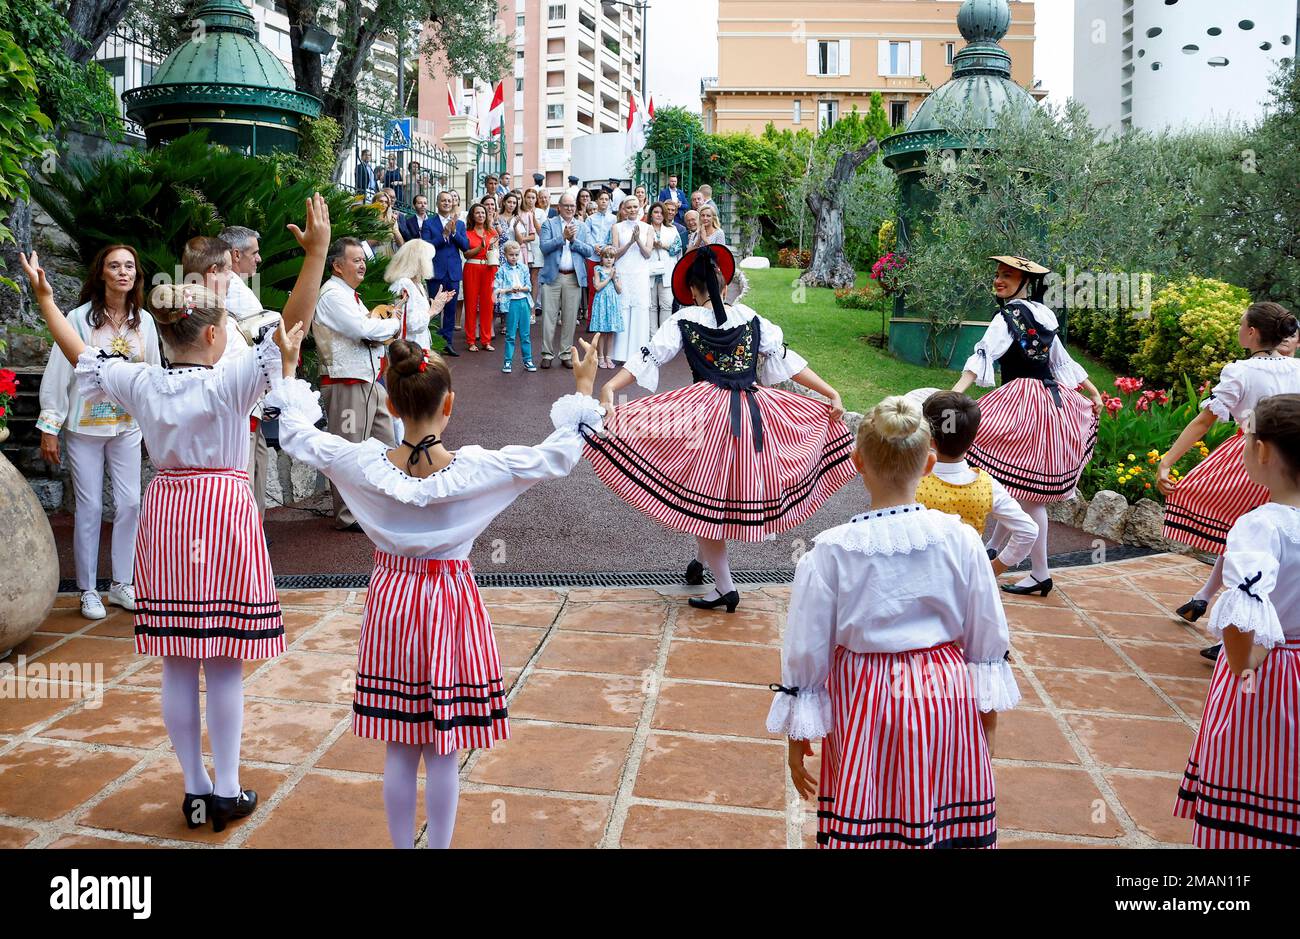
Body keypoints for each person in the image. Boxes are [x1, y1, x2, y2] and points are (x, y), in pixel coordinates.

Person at [19, 193, 331, 834]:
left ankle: (194, 789)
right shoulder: (230, 379)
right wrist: (316, 255)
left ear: (161, 333)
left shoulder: (140, 380)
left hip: (166, 513)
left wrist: (47, 298)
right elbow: (291, 327)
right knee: (224, 664)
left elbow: (79, 353)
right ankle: (229, 787)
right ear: (215, 333)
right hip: (223, 515)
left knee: (177, 660)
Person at [265, 334, 604, 848]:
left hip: (392, 603)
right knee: (443, 746)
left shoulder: (363, 464)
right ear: (449, 403)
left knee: (399, 743)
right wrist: (583, 387)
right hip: (451, 603)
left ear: (389, 402)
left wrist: (288, 371)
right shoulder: (479, 469)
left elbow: (299, 435)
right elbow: (554, 457)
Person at [769, 394, 1019, 849]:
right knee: (940, 805)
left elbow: (807, 647)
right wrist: (988, 725)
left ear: (857, 461)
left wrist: (797, 734)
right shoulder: (961, 540)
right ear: (928, 463)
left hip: (863, 695)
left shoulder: (830, 550)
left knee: (867, 803)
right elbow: (986, 637)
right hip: (943, 693)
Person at [586, 244, 855, 613]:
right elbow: (788, 362)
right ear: (725, 286)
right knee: (715, 495)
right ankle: (701, 563)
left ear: (694, 292)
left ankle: (726, 588)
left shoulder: (683, 321)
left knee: (705, 500)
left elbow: (649, 356)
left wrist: (610, 388)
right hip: (754, 412)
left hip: (707, 418)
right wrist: (830, 392)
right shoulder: (753, 319)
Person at [1171, 393, 1300, 848]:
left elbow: (1242, 612)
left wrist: (1245, 663)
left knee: (1249, 775)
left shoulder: (1261, 525)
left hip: (1269, 673)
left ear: (1262, 450)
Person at [952, 256, 1103, 598]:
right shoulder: (1042, 314)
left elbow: (983, 356)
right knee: (1015, 484)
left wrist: (953, 396)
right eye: (997, 275)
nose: (999, 280)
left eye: (1007, 276)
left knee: (1028, 497)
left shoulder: (1007, 317)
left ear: (1024, 283)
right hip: (1052, 402)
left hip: (1024, 402)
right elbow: (1061, 361)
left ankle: (1039, 573)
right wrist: (1093, 391)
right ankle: (994, 546)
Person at [1158, 302, 1300, 658]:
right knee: (1254, 541)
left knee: (1241, 537)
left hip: (1251, 455)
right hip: (1291, 459)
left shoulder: (1240, 371)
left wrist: (1166, 461)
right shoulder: (1296, 369)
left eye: (1241, 325)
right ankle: (1207, 599)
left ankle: (1233, 630)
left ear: (1252, 332)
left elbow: (1205, 422)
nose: (1239, 330)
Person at [36, 244, 159, 620]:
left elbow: (153, 373)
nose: (122, 272)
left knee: (131, 504)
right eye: (114, 265)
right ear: (101, 273)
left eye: (129, 266)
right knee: (88, 508)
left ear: (136, 275)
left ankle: (122, 583)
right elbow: (59, 371)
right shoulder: (77, 318)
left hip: (126, 426)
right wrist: (50, 426)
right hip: (84, 427)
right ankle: (88, 590)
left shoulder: (146, 322)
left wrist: (155, 421)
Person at [313, 236, 401, 530]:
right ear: (337, 266)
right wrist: (394, 324)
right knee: (349, 450)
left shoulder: (348, 294)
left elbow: (371, 333)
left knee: (386, 443)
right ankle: (348, 516)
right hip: (345, 382)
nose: (363, 264)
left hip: (367, 380)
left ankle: (382, 505)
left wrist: (381, 329)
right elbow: (364, 329)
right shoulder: (333, 296)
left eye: (363, 259)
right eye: (356, 260)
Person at [911, 390, 1038, 574]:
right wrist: (994, 569)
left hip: (918, 579)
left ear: (928, 438)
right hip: (966, 583)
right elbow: (1028, 531)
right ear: (972, 440)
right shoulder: (987, 485)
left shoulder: (910, 480)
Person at [219, 225, 273, 517]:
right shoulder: (232, 288)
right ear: (236, 254)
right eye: (254, 253)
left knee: (257, 464)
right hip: (241, 395)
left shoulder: (238, 288)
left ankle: (255, 529)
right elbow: (263, 335)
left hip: (250, 394)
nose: (259, 259)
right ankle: (248, 535)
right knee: (246, 470)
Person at [538, 193, 595, 369]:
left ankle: (565, 354)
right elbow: (544, 247)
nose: (570, 208)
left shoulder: (582, 227)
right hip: (552, 277)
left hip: (573, 277)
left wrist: (573, 240)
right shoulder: (549, 224)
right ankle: (547, 354)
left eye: (572, 206)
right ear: (559, 207)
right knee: (549, 318)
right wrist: (562, 237)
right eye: (566, 205)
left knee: (570, 318)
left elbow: (589, 250)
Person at [384, 238, 454, 354]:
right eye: (429, 259)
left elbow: (420, 317)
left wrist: (437, 303)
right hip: (408, 352)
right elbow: (410, 324)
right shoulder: (404, 284)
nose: (431, 263)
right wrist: (433, 310)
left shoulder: (417, 284)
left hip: (417, 346)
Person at [607, 197, 653, 365]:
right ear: (624, 209)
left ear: (640, 207)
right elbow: (614, 254)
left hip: (640, 273)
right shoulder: (616, 227)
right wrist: (629, 243)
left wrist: (638, 240)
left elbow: (647, 254)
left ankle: (638, 353)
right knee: (623, 310)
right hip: (623, 272)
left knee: (639, 311)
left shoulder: (647, 228)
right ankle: (619, 354)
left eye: (635, 206)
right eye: (629, 207)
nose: (632, 210)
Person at [429, 191, 469, 357]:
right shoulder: (429, 223)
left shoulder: (459, 224)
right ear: (437, 203)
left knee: (451, 310)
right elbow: (427, 246)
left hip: (453, 271)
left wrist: (453, 233)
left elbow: (466, 246)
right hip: (436, 272)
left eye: (449, 200)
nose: (446, 203)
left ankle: (448, 343)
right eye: (443, 200)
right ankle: (435, 343)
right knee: (435, 308)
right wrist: (444, 234)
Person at [494, 241, 537, 374]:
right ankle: (508, 361)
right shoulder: (502, 270)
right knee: (510, 334)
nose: (514, 257)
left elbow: (529, 287)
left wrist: (521, 288)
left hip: (524, 301)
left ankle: (528, 360)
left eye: (516, 254)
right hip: (511, 303)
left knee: (525, 334)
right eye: (511, 254)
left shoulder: (524, 268)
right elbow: (497, 288)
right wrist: (508, 290)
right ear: (505, 255)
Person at [462, 203, 496, 353]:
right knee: (470, 304)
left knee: (488, 305)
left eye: (483, 213)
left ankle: (486, 340)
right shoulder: (467, 232)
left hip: (489, 269)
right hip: (472, 268)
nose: (481, 215)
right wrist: (481, 247)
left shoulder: (492, 232)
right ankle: (470, 340)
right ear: (472, 215)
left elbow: (494, 253)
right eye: (477, 213)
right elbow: (466, 254)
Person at [645, 202, 682, 332]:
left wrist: (663, 245)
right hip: (649, 272)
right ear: (651, 214)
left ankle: (663, 336)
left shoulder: (672, 230)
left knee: (666, 305)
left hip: (667, 273)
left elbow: (677, 249)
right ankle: (652, 337)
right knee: (651, 306)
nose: (658, 215)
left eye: (661, 213)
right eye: (656, 212)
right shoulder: (645, 229)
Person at [588, 253, 623, 370]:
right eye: (606, 257)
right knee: (602, 331)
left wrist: (614, 278)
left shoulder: (615, 270)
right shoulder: (598, 269)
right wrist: (609, 278)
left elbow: (619, 290)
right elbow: (597, 287)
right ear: (601, 258)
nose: (609, 259)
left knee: (610, 331)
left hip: (612, 302)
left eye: (611, 257)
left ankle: (609, 356)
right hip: (602, 301)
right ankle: (600, 356)